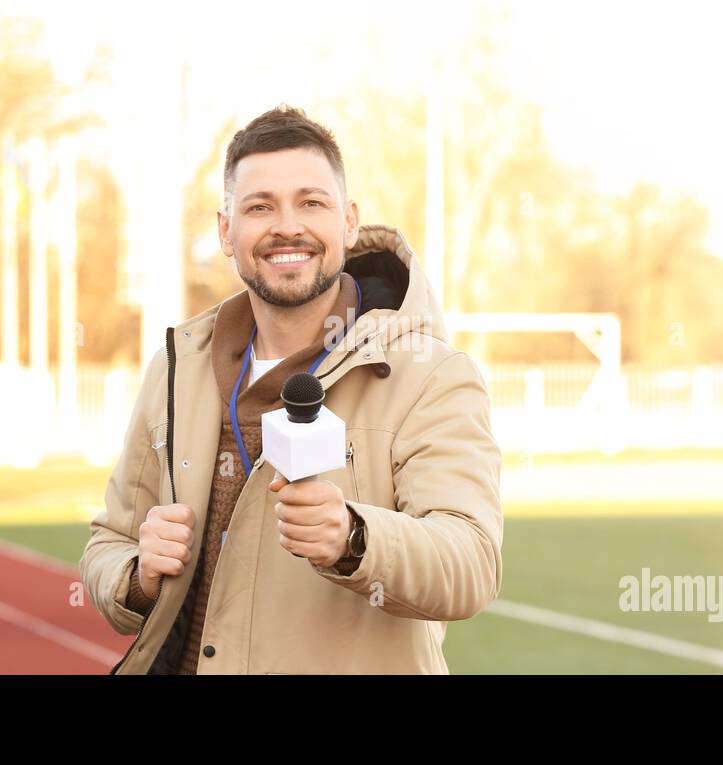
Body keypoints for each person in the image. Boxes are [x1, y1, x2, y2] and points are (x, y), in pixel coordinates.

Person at [80, 104, 503, 674]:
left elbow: (472, 565)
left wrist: (355, 537)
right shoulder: (177, 367)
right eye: (260, 207)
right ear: (227, 232)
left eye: (311, 202)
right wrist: (136, 575)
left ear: (348, 222)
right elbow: (109, 542)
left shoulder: (431, 374)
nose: (287, 226)